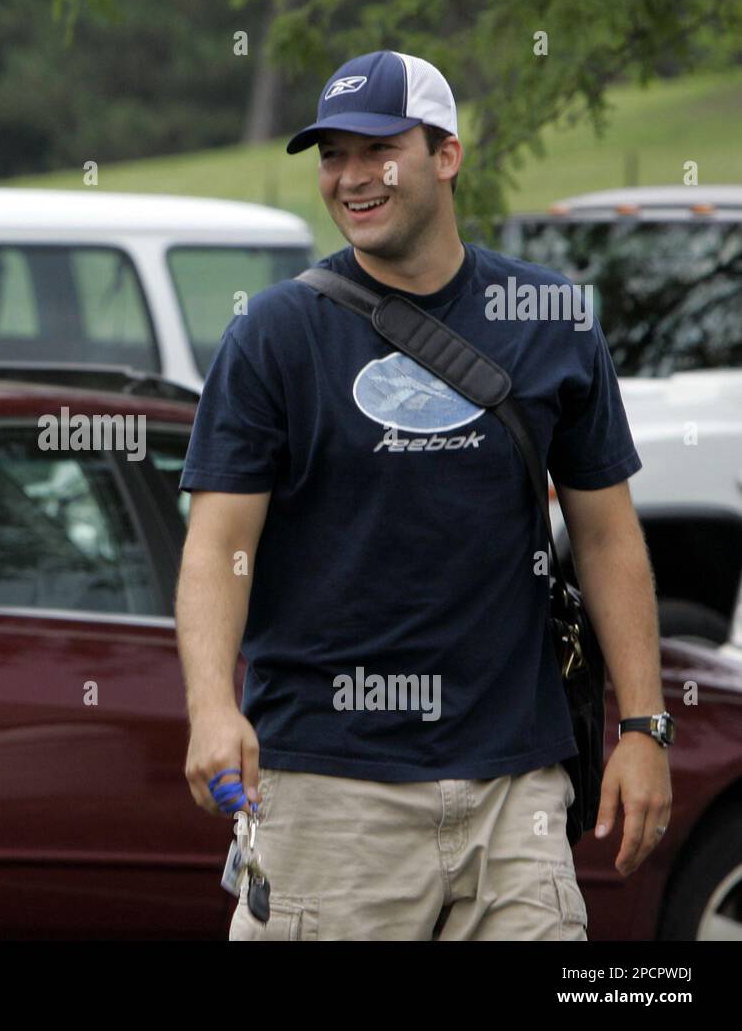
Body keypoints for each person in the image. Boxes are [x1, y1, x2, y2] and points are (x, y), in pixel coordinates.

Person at [176, 49, 672, 940]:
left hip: (515, 786)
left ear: (446, 154)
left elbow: (605, 536)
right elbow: (218, 545)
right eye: (332, 156)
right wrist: (212, 705)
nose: (351, 178)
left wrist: (645, 725)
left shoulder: (550, 318)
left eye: (378, 149)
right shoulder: (275, 333)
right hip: (331, 784)